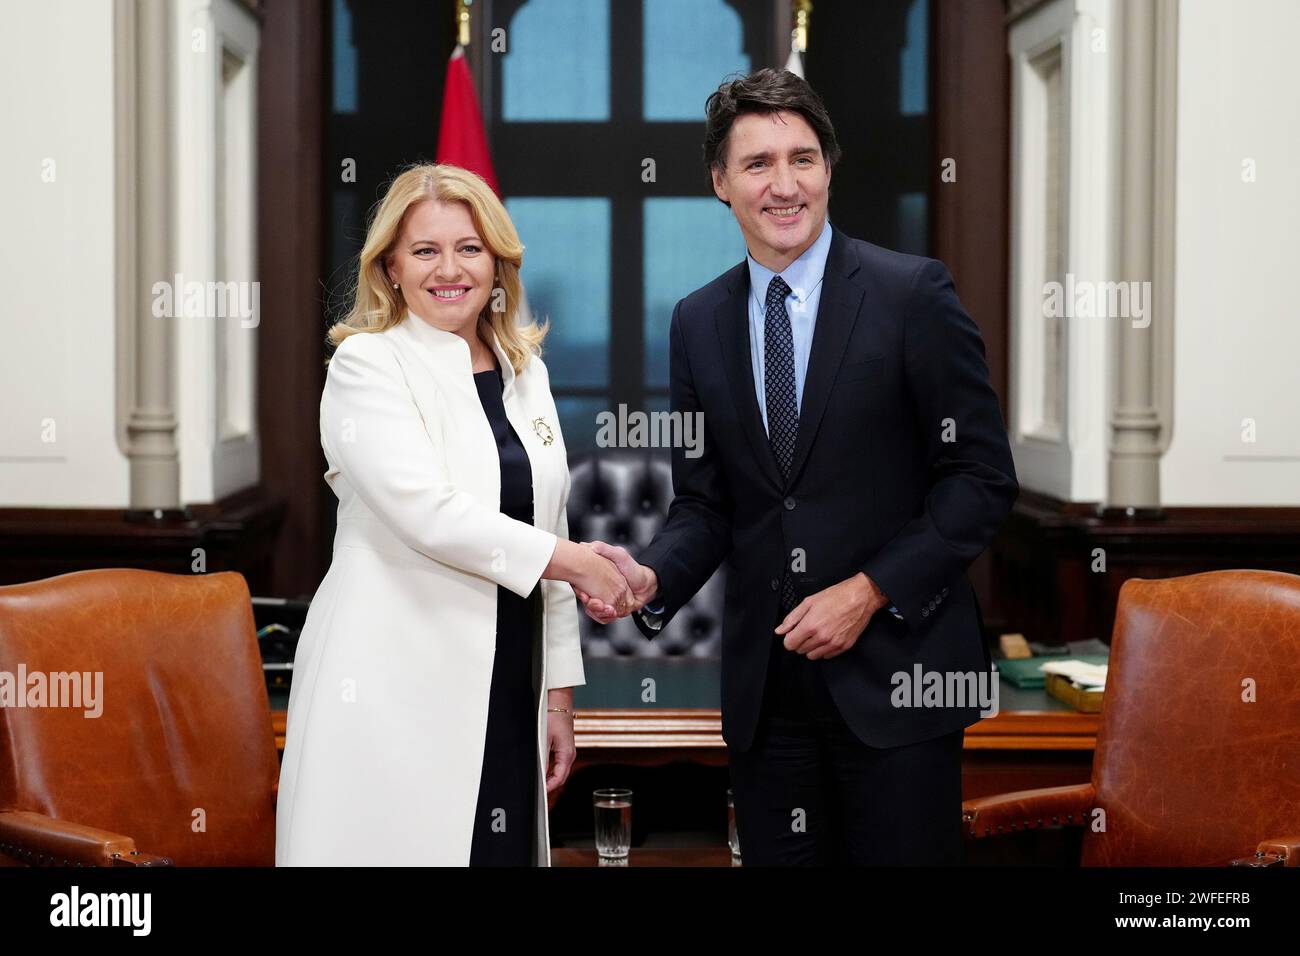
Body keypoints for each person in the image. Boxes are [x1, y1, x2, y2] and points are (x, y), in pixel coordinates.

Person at [580, 69, 1018, 865]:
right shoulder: (697, 320)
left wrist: (868, 590)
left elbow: (981, 479)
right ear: (720, 182)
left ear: (829, 166)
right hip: (767, 699)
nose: (784, 185)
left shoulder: (912, 294)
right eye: (758, 164)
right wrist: (654, 579)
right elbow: (705, 504)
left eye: (803, 159)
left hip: (901, 685)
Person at [276, 163, 633, 866]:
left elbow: (547, 528)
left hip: (508, 682)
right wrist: (581, 564)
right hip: (389, 683)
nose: (450, 269)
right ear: (391, 267)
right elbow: (430, 514)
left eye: (469, 248)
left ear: (497, 262)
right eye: (426, 250)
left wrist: (558, 697)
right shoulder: (366, 366)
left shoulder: (525, 367)